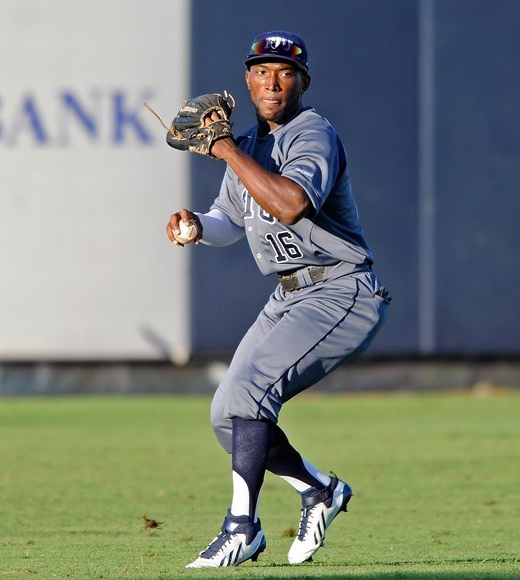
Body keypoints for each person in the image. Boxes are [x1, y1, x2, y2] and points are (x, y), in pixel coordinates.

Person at [164, 30, 390, 568]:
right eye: (262, 71)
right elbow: (230, 220)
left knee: (248, 395)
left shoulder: (312, 134)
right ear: (247, 81)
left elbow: (290, 205)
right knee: (227, 414)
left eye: (285, 73)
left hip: (340, 289)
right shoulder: (245, 146)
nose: (272, 82)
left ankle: (241, 528)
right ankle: (319, 489)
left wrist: (223, 148)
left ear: (302, 82)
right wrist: (198, 225)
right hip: (288, 294)